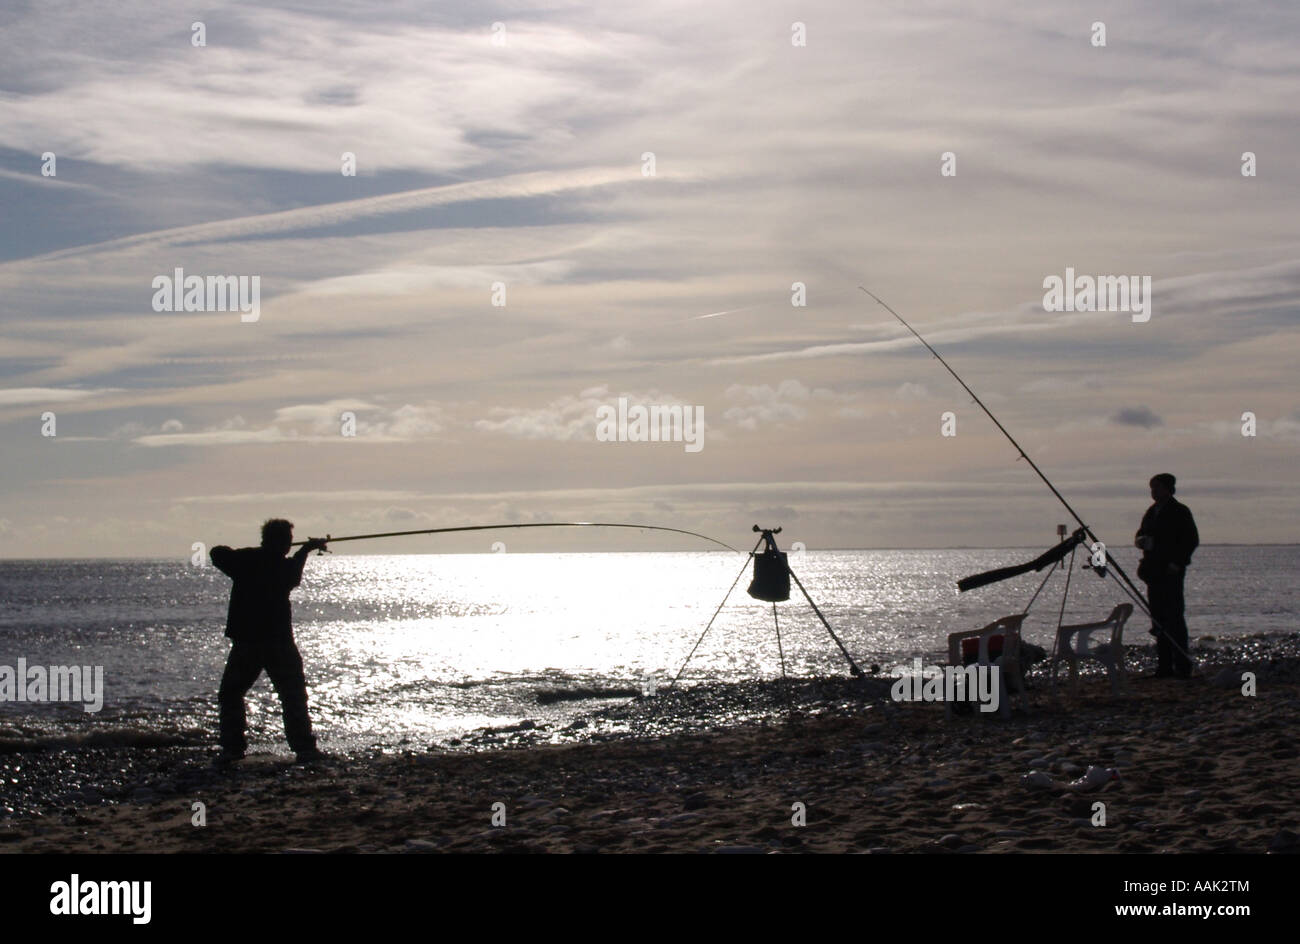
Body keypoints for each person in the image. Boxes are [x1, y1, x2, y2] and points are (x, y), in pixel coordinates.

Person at [210, 519, 328, 763]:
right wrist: (305, 550)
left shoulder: (244, 561)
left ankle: (233, 748)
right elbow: (293, 575)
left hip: (249, 642)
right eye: (286, 541)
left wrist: (255, 552)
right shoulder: (282, 566)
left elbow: (217, 553)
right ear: (283, 543)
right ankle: (304, 747)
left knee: (232, 694)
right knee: (292, 694)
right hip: (277, 641)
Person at [1134, 473, 1199, 678]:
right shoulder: (1151, 512)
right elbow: (1139, 534)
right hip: (1153, 571)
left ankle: (1182, 666)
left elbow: (1190, 540)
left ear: (1168, 489)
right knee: (1158, 620)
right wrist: (1141, 541)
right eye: (1152, 488)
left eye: (1157, 488)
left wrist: (1177, 563)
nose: (1153, 492)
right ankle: (1164, 666)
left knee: (1174, 618)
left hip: (1170, 572)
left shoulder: (1180, 511)